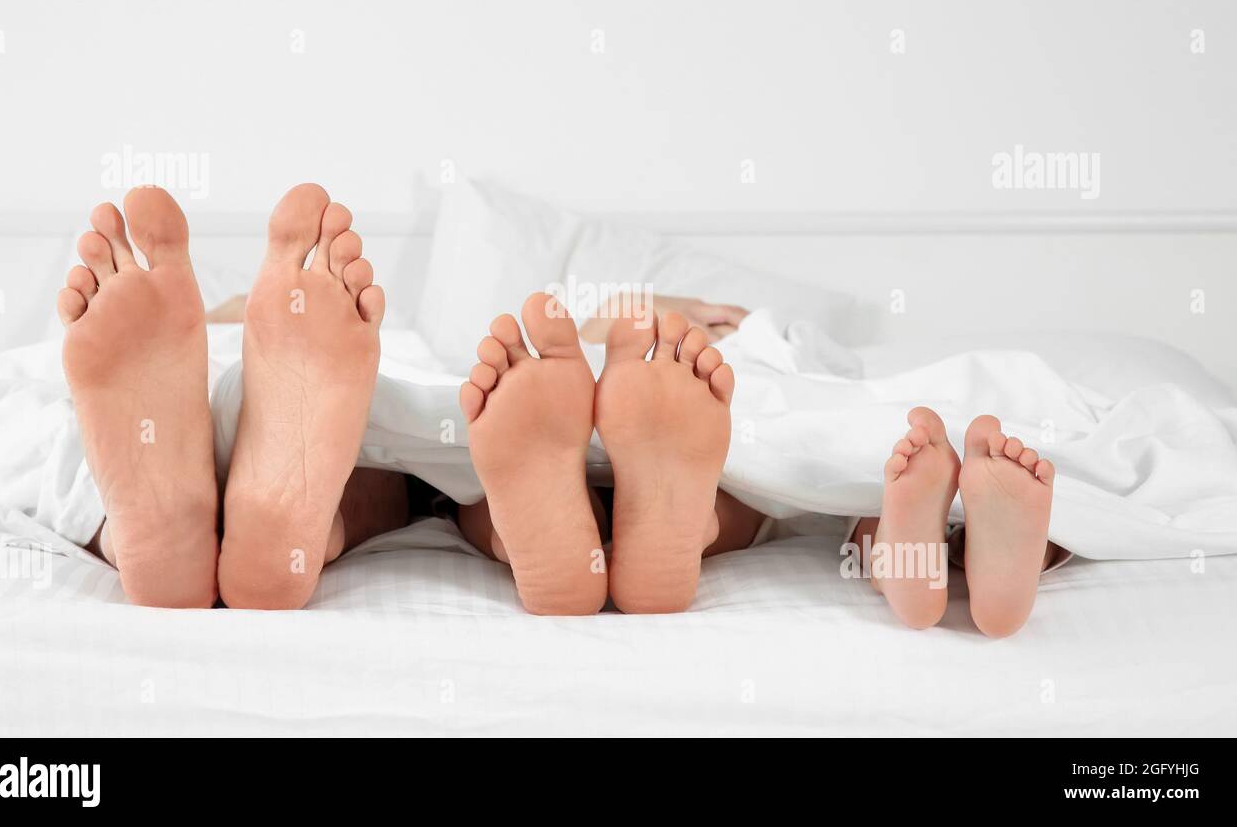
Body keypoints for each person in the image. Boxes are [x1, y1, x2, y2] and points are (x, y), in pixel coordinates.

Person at [56, 184, 1063, 635]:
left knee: (424, 475)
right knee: (807, 468)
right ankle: (879, 549)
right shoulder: (719, 353)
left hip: (465, 428)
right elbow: (818, 415)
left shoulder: (550, 366)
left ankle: (239, 523)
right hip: (708, 436)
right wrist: (685, 333)